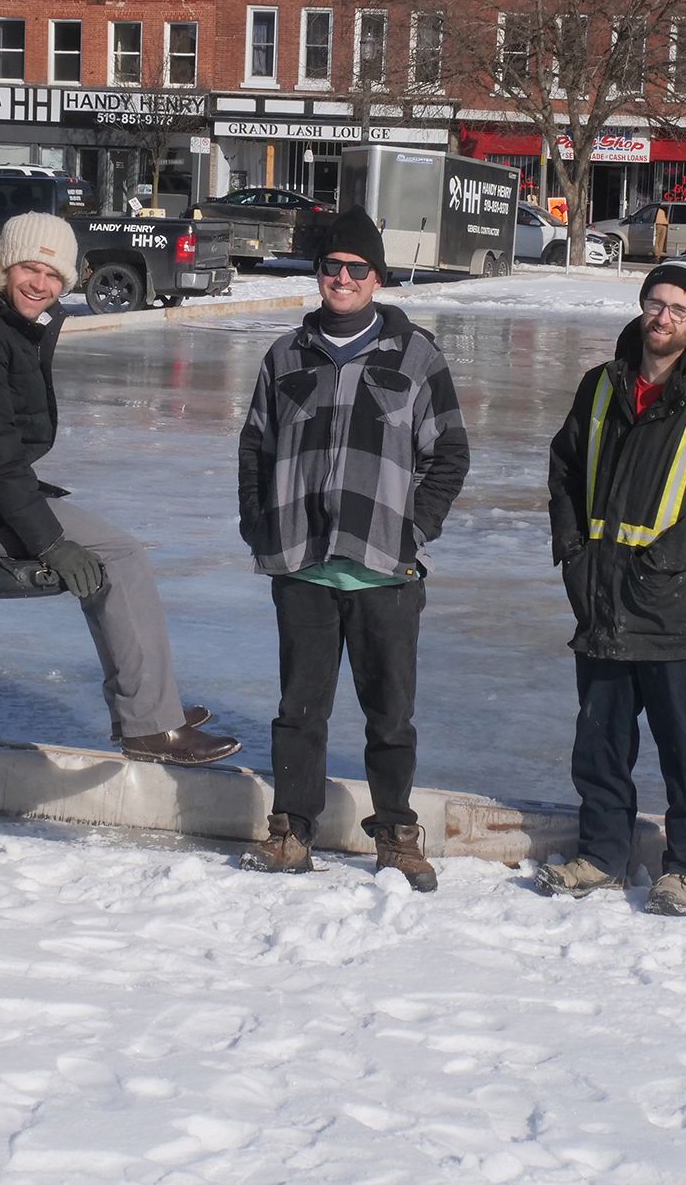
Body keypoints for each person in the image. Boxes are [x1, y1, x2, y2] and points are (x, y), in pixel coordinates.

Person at [0, 212, 239, 768]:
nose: (40, 284)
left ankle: (154, 709)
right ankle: (150, 725)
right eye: (29, 268)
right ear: (3, 265)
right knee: (118, 554)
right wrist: (49, 540)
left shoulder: (1, 317)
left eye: (53, 274)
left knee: (119, 551)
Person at [236, 207, 469, 891]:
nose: (341, 278)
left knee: (390, 714)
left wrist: (413, 529)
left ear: (377, 278)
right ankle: (291, 829)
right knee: (299, 710)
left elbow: (450, 452)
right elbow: (255, 445)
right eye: (331, 266)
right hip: (303, 562)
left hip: (384, 568)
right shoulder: (286, 355)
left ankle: (396, 832)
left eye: (355, 269)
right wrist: (259, 523)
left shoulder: (417, 356)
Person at [541, 256, 686, 915]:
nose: (662, 317)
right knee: (600, 744)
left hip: (679, 611)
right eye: (655, 302)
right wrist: (573, 551)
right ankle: (602, 856)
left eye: (678, 309)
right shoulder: (601, 386)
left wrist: (665, 559)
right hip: (603, 601)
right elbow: (563, 470)